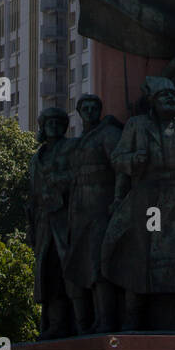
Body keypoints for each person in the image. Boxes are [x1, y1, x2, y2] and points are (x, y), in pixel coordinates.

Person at [102, 76, 175, 331]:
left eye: (172, 95)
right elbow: (118, 159)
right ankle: (134, 318)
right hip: (149, 200)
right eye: (163, 95)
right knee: (141, 258)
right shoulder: (137, 125)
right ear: (151, 101)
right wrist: (134, 160)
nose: (169, 99)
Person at [63, 94, 123, 335]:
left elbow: (121, 169)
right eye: (84, 108)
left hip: (101, 206)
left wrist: (118, 199)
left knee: (100, 266)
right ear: (78, 112)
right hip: (79, 212)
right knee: (81, 266)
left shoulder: (108, 134)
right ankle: (89, 322)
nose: (89, 111)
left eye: (93, 107)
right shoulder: (79, 142)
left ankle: (106, 320)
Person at [26, 107, 74, 340]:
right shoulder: (37, 157)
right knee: (47, 275)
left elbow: (79, 178)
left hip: (67, 221)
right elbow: (32, 196)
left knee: (67, 273)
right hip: (44, 223)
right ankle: (51, 324)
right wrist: (31, 227)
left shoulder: (72, 148)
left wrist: (60, 183)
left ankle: (71, 322)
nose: (53, 125)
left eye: (58, 121)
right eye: (49, 122)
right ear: (42, 127)